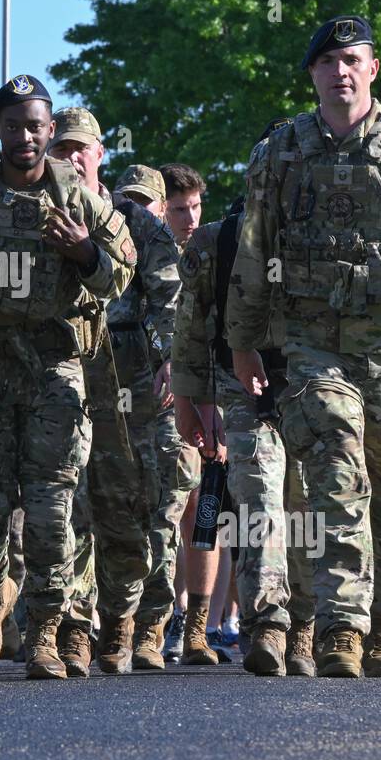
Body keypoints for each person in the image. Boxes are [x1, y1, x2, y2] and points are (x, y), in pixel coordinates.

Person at [225, 14, 381, 678]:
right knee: (337, 471)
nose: (341, 72)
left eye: (353, 61)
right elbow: (251, 253)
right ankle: (341, 624)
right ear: (312, 74)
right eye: (328, 63)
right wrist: (245, 344)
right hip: (312, 343)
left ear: (372, 69)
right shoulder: (280, 151)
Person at [0, 76, 135, 679]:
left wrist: (86, 253)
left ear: (50, 132)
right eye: (13, 125)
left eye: (35, 126)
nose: (25, 136)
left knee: (53, 506)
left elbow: (125, 267)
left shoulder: (75, 194)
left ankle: (46, 635)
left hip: (56, 365)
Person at [47, 128, 180, 674]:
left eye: (83, 147)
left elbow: (168, 293)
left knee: (146, 504)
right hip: (64, 371)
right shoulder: (39, 212)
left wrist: (172, 357)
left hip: (134, 380)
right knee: (70, 503)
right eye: (63, 148)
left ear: (102, 154)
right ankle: (77, 626)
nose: (73, 157)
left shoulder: (136, 222)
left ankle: (139, 622)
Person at [173, 190, 315, 676]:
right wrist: (192, 402)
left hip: (317, 385)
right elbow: (190, 328)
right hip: (240, 389)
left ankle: (307, 628)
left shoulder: (330, 232)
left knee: (310, 507)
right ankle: (268, 624)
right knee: (259, 500)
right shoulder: (218, 240)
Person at [155, 163, 217, 664]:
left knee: (205, 511)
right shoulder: (147, 254)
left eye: (196, 206)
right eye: (179, 209)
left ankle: (197, 626)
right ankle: (161, 615)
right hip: (155, 403)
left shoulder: (213, 252)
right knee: (163, 510)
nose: (190, 217)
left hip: (207, 397)